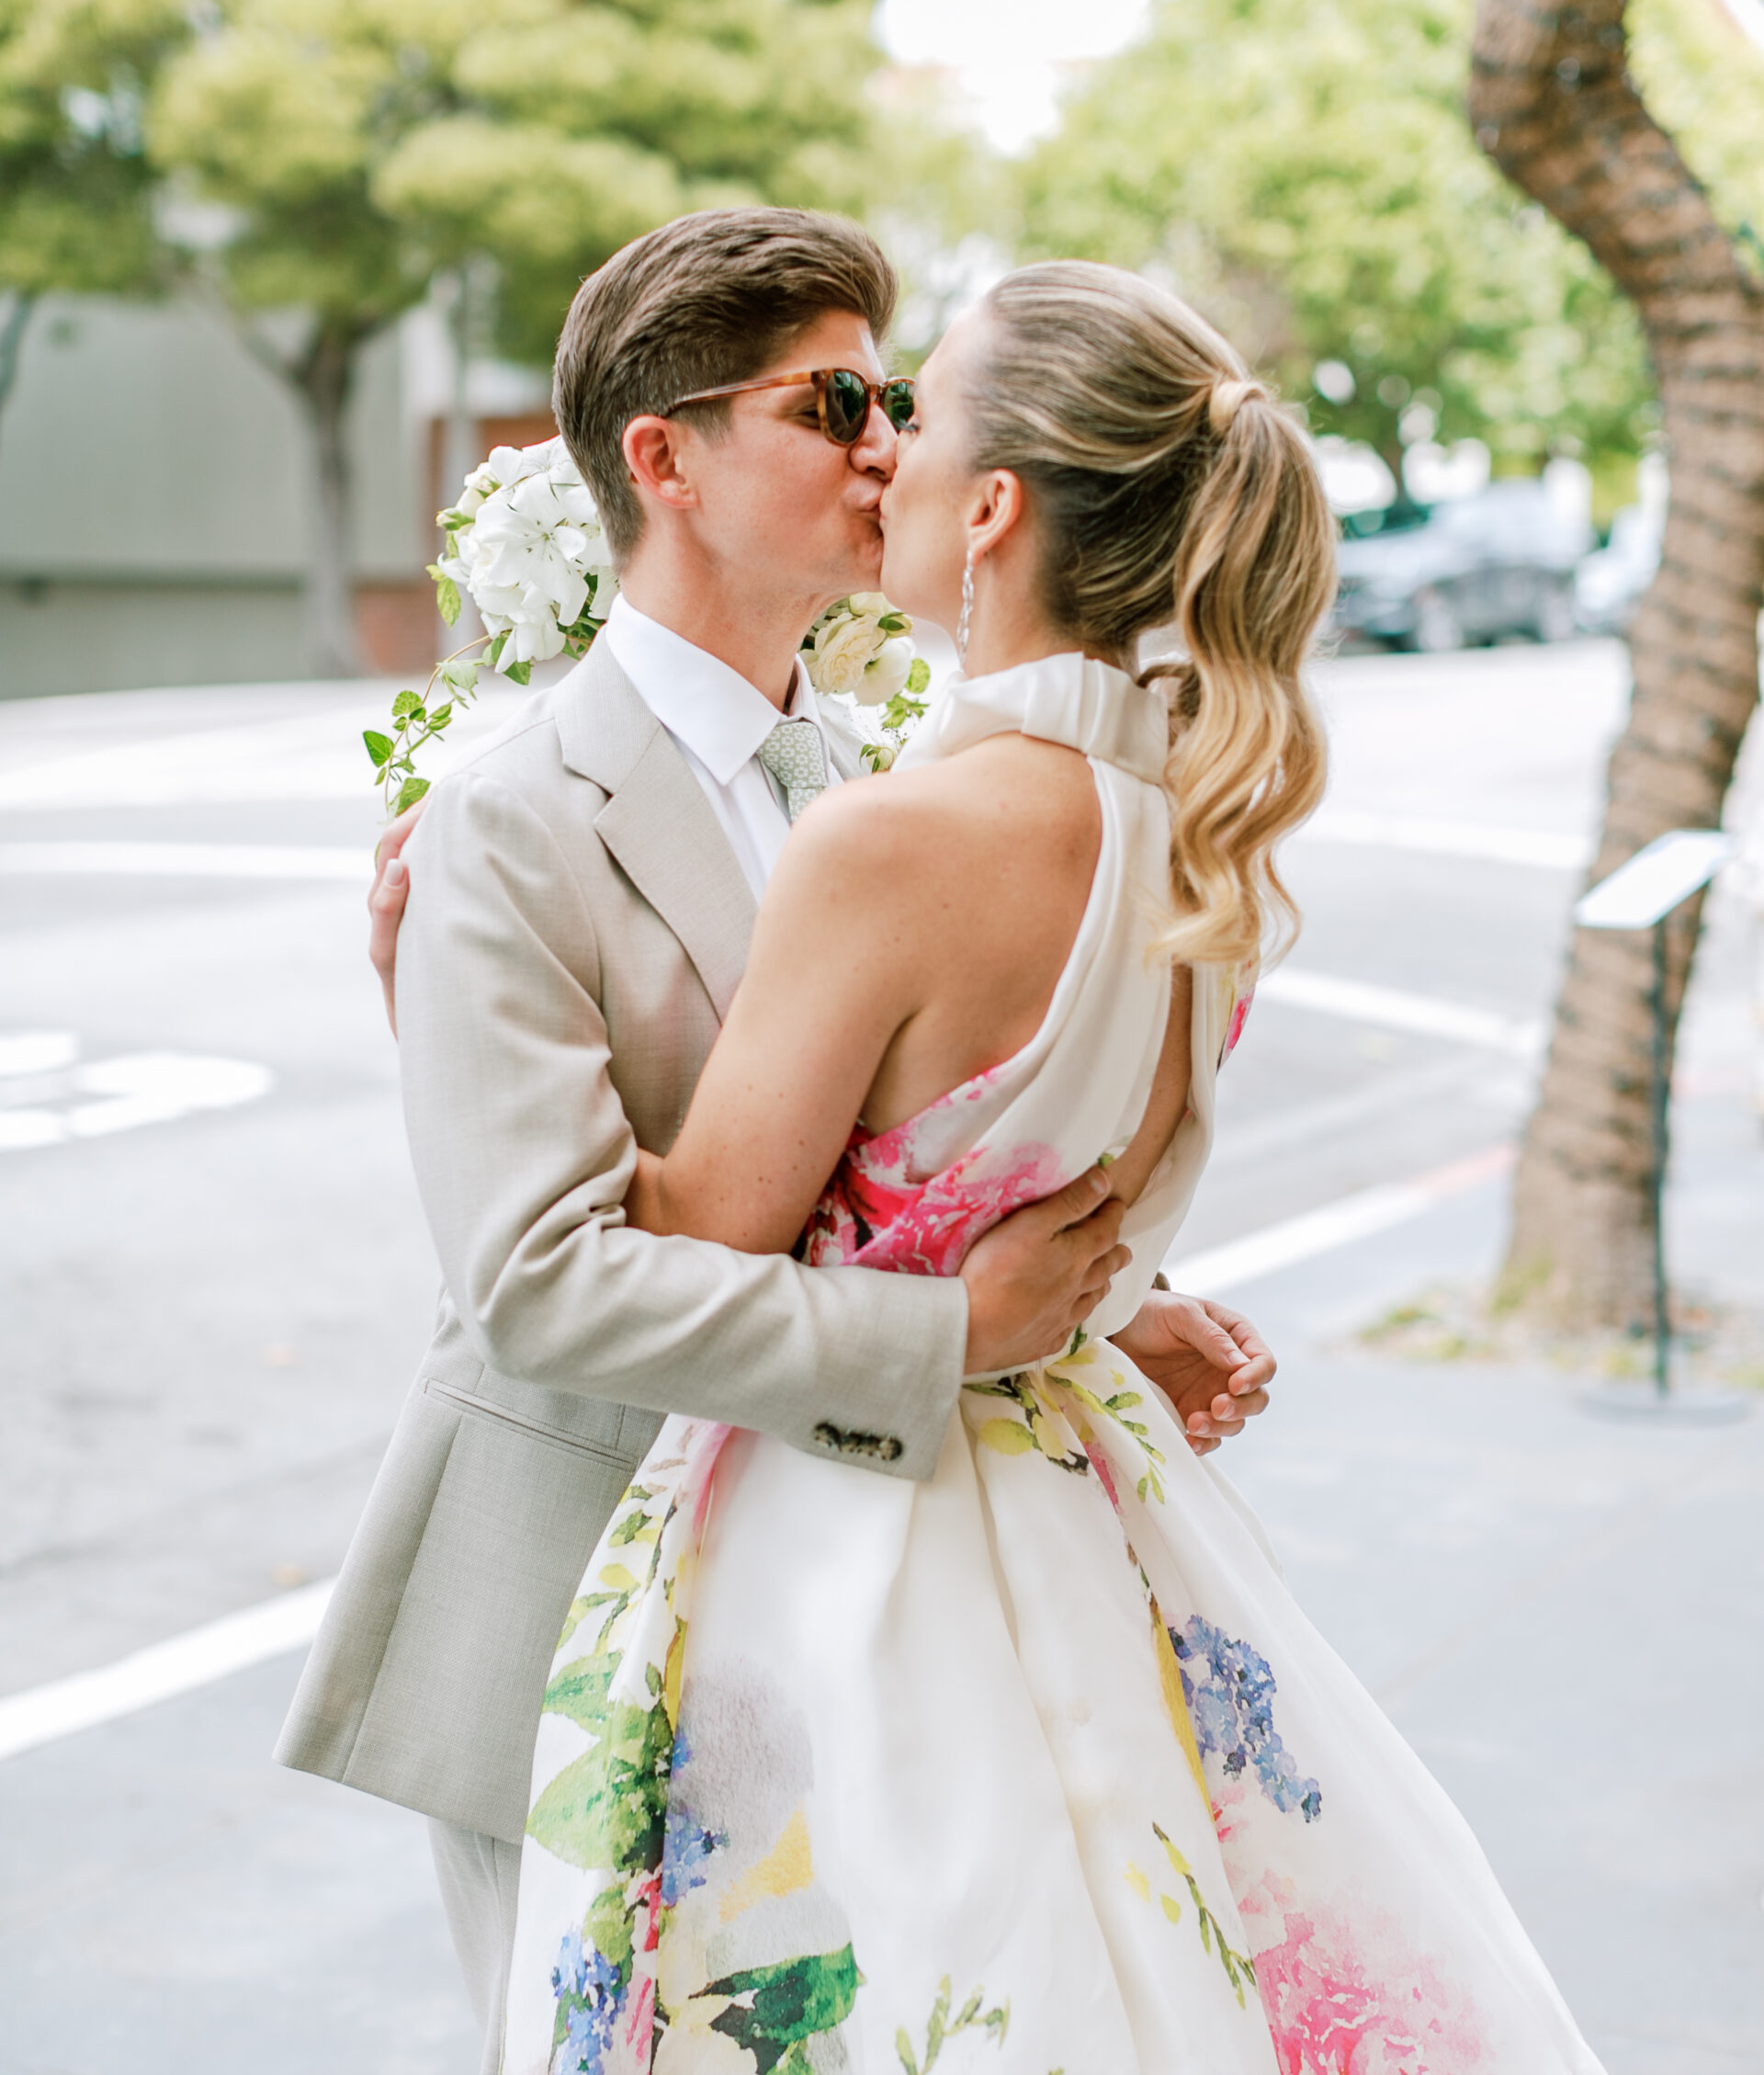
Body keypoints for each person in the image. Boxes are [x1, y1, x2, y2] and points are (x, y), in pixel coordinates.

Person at [495, 260, 1607, 2071]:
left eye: (911, 414)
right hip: (1094, 1517)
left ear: (995, 509)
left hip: (858, 1541)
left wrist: (466, 968)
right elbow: (1017, 1192)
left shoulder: (893, 839)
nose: (886, 459)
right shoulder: (1201, 838)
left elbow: (700, 1232)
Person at [277, 209, 1276, 2075]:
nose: (891, 443)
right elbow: (536, 1274)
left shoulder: (885, 802)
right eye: (834, 401)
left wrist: (1085, 1307)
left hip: (861, 1605)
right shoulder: (504, 827)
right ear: (663, 455)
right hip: (568, 1591)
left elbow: (879, 1181)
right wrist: (950, 1337)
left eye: (898, 397)